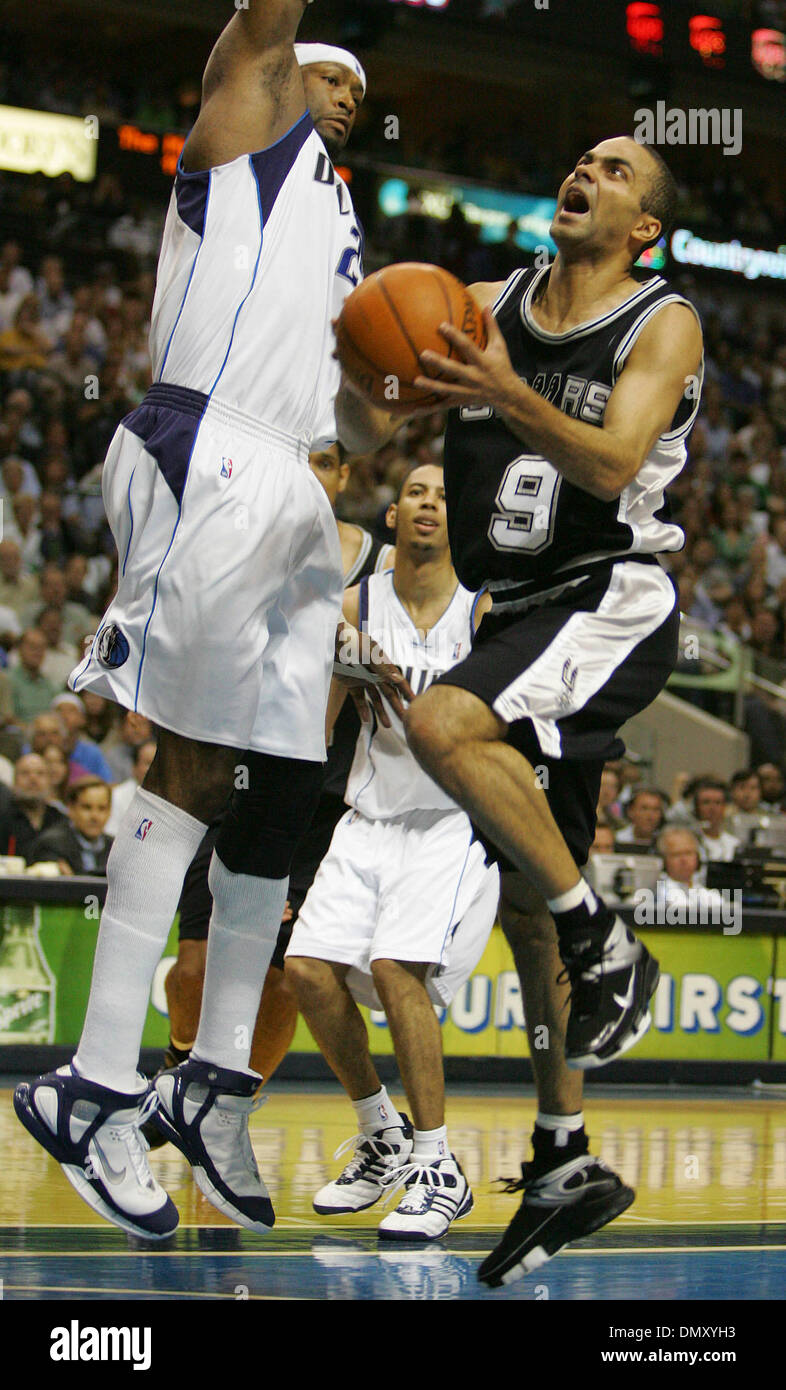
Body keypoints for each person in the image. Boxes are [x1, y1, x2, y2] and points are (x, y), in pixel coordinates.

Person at [13, 4, 400, 1244]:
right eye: (328, 69)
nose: (346, 91)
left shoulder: (346, 229)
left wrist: (419, 383)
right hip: (211, 452)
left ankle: (212, 1079)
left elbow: (368, 422)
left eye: (356, 85)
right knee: (184, 769)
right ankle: (95, 1082)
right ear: (285, 71)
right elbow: (263, 30)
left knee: (280, 791)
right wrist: (282, 44)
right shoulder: (244, 127)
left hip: (294, 483)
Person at [337, 135, 703, 1284]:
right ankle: (562, 1153)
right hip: (515, 618)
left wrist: (501, 388)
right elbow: (372, 415)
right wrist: (334, 442)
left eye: (617, 170)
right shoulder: (479, 305)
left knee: (447, 727)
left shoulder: (663, 320)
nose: (585, 172)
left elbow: (609, 465)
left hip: (608, 594)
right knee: (526, 904)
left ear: (644, 225)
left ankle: (615, 946)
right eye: (581, 159)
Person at [147, 442, 394, 1112]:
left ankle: (228, 1111)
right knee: (192, 970)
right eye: (301, 460)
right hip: (229, 774)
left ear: (344, 474)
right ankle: (177, 1073)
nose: (311, 474)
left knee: (283, 979)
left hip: (316, 800)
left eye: (325, 462)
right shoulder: (237, 549)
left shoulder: (382, 567)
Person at [286, 463, 499, 1240]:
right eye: (416, 492)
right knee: (307, 971)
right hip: (366, 818)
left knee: (393, 969)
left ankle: (439, 1168)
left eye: (445, 494)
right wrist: (334, 667)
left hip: (449, 821)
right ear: (392, 511)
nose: (429, 504)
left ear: (460, 519)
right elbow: (313, 732)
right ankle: (385, 1137)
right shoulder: (352, 605)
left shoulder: (483, 613)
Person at [32, 776, 113, 875]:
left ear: (110, 811)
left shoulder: (116, 849)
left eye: (102, 808)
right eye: (87, 808)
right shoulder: (51, 845)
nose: (94, 816)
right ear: (71, 809)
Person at [0, 752, 68, 861]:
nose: (33, 779)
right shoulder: (2, 818)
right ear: (14, 781)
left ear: (50, 781)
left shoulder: (62, 821)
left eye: (40, 773)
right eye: (25, 773)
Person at [691, 777, 739, 862]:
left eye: (717, 803)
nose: (712, 808)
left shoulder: (734, 844)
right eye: (706, 802)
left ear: (725, 807)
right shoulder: (688, 842)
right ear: (696, 807)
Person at [614, 787, 667, 852]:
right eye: (644, 809)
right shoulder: (617, 839)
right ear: (630, 811)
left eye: (656, 809)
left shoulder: (667, 843)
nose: (650, 816)